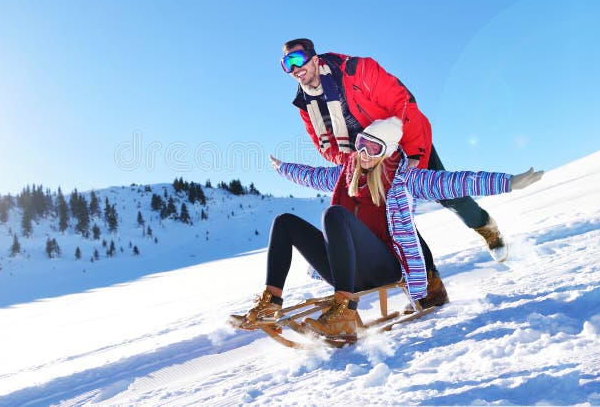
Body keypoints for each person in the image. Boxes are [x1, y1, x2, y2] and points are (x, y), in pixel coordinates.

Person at [231, 117, 543, 340]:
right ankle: (271, 302)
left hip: (384, 266)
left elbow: (453, 181)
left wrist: (508, 182)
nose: (364, 153)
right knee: (285, 221)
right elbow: (310, 175)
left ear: (389, 152)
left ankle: (344, 312)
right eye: (361, 144)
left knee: (334, 216)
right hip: (347, 269)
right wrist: (283, 167)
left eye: (373, 149)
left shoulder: (404, 178)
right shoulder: (347, 172)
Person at [280, 38, 510, 262]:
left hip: (403, 140)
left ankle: (486, 227)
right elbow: (326, 146)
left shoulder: (356, 70)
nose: (295, 68)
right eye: (287, 64)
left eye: (298, 59)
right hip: (367, 157)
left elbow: (403, 103)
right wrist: (354, 160)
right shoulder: (305, 104)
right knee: (392, 218)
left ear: (314, 57)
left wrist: (414, 153)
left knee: (445, 193)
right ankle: (428, 284)